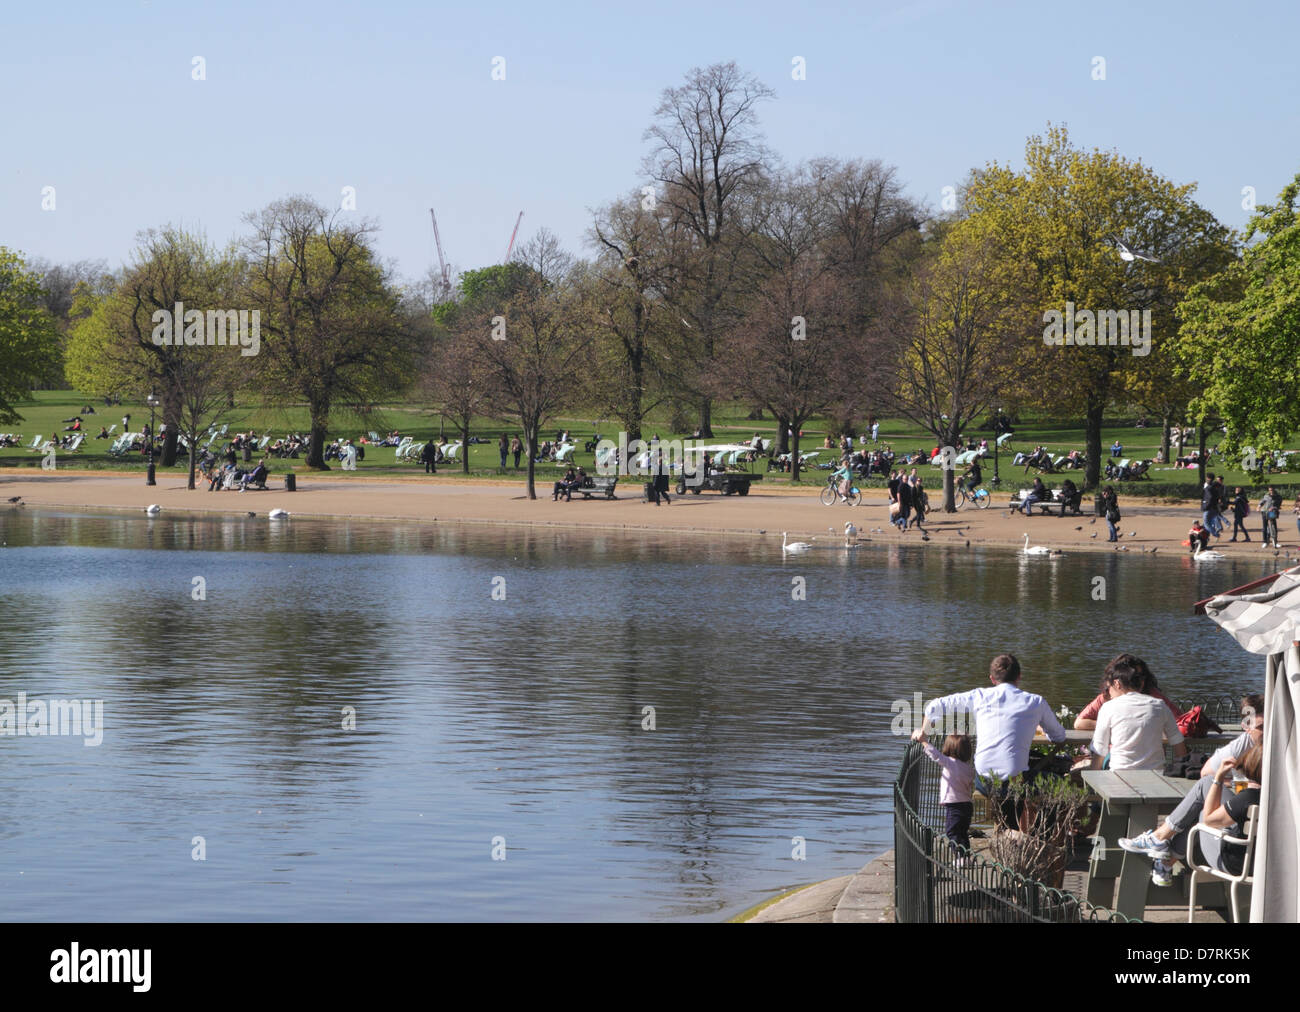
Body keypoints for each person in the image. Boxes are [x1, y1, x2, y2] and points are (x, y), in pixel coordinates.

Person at [914, 654, 1067, 830]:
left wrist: (923, 732)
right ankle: (1042, 835)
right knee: (1058, 783)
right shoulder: (1035, 702)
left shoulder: (980, 696)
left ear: (992, 679)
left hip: (985, 780)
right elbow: (1059, 736)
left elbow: (934, 706)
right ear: (1019, 677)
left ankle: (1010, 832)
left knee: (1017, 780)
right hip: (1015, 781)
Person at [1120, 744, 1262, 887]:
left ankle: (1160, 844)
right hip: (1267, 864)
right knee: (1200, 805)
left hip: (1237, 865)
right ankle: (1165, 860)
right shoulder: (1278, 796)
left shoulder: (1247, 798)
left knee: (1201, 805)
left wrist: (1219, 776)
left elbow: (1208, 820)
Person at [1089, 660, 1187, 771]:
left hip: (1119, 776)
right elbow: (1178, 744)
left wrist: (1092, 783)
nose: (1109, 692)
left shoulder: (1108, 708)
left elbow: (1100, 750)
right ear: (1141, 684)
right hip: (1156, 776)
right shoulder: (1159, 705)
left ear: (1117, 684)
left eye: (1109, 687)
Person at [1073, 654, 1181, 730]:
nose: (1138, 680)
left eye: (1140, 676)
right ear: (1117, 681)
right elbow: (1079, 723)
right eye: (1132, 676)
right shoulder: (1105, 698)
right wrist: (1116, 725)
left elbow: (1180, 721)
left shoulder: (1155, 699)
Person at [920, 734, 975, 857]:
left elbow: (935, 755)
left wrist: (923, 741)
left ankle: (959, 857)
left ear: (949, 748)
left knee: (952, 833)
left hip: (955, 806)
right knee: (962, 832)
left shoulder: (950, 763)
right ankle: (966, 857)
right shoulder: (968, 768)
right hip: (967, 805)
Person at [1200, 694, 1264, 778]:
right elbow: (1205, 774)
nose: (1268, 731)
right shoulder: (1236, 750)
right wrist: (1237, 783)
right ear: (1246, 727)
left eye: (1271, 725)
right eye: (1261, 727)